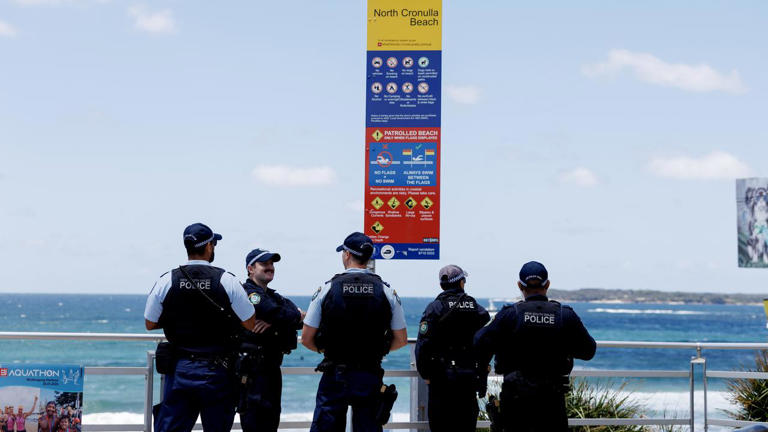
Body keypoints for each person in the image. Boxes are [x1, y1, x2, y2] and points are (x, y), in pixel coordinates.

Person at [144, 223, 257, 432]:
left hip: (180, 368)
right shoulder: (227, 280)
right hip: (218, 371)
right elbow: (250, 322)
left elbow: (150, 323)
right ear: (208, 247)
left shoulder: (167, 280)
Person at [301, 232, 408, 432]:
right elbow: (401, 339)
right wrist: (378, 351)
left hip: (335, 374)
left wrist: (325, 350)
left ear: (347, 254)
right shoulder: (386, 291)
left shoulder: (328, 289)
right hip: (369, 372)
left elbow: (306, 339)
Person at [474, 261, 596, 432]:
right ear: (547, 284)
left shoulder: (510, 314)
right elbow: (589, 351)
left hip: (515, 398)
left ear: (519, 285)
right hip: (552, 399)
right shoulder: (565, 315)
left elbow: (479, 343)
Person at [415, 265, 490, 432]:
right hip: (467, 377)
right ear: (461, 283)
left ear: (441, 285)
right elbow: (485, 330)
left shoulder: (435, 307)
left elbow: (422, 346)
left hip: (440, 377)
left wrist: (426, 374)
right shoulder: (474, 306)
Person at [237, 248, 305, 432]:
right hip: (252, 371)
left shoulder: (274, 296)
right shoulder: (249, 293)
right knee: (254, 422)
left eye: (271, 264)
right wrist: (286, 317)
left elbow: (300, 320)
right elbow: (275, 312)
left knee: (271, 421)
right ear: (250, 269)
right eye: (264, 264)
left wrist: (274, 323)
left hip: (271, 369)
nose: (270, 267)